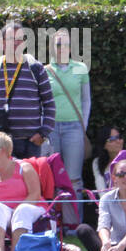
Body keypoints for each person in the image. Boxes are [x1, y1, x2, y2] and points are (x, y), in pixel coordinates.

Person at [0, 20, 55, 160]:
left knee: (30, 180)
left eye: (20, 39)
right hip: (1, 143)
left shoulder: (36, 68)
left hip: (30, 142)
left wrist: (43, 133)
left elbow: (49, 103)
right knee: (4, 181)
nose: (16, 43)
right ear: (3, 42)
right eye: (12, 39)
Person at [45, 28, 91, 199]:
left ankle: (75, 223)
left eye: (65, 45)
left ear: (71, 48)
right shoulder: (45, 70)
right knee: (52, 177)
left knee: (74, 180)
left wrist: (82, 125)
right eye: (58, 45)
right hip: (52, 129)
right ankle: (56, 223)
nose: (61, 48)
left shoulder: (80, 67)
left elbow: (86, 100)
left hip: (74, 128)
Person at [91, 125, 126, 192]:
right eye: (112, 139)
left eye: (119, 137)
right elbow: (101, 190)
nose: (118, 141)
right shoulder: (97, 162)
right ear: (103, 144)